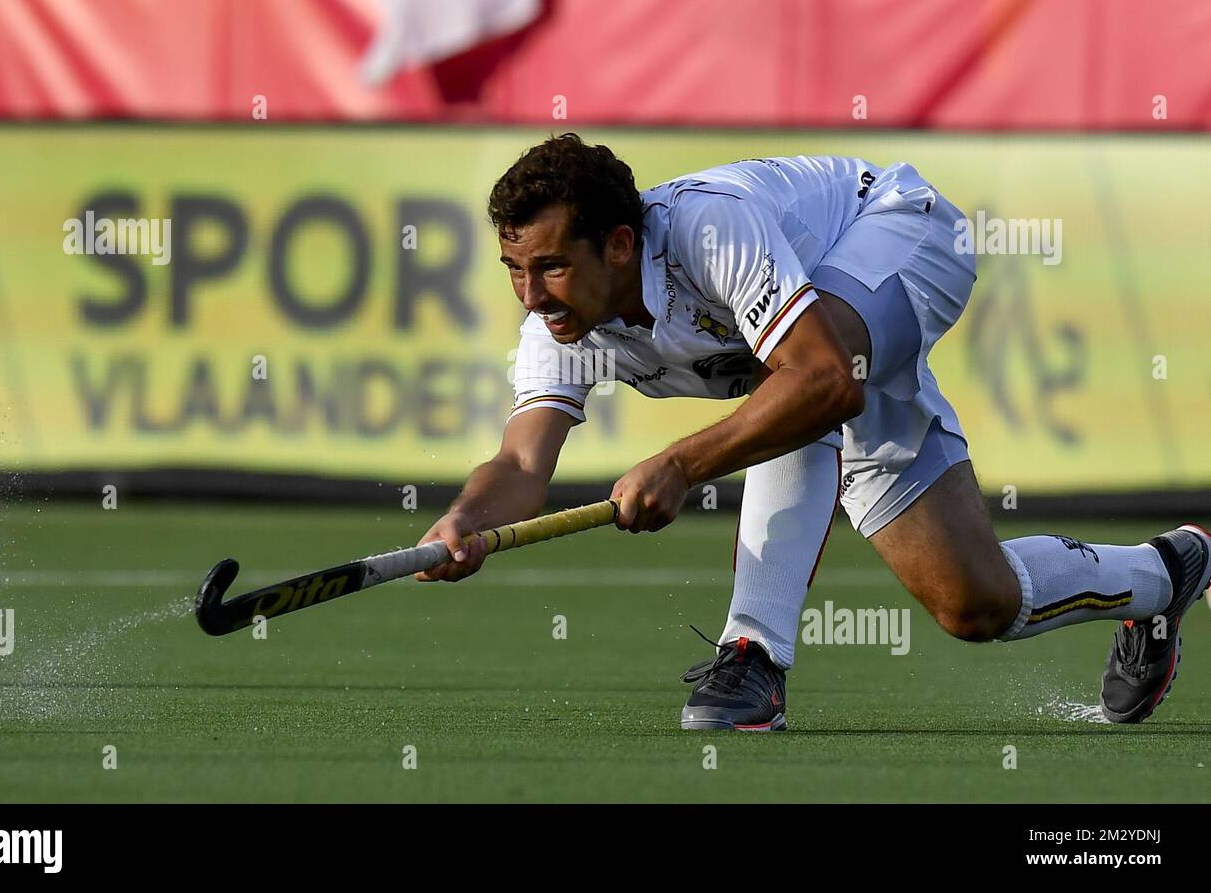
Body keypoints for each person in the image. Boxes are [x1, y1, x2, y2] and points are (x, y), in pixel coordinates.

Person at [416, 133, 1210, 732]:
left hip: (903, 235)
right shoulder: (558, 327)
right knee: (975, 603)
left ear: (620, 245)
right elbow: (522, 460)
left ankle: (753, 656)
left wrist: (682, 464)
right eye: (514, 271)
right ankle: (1166, 573)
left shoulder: (706, 229)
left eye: (550, 266)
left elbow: (823, 380)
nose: (531, 295)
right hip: (834, 342)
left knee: (793, 378)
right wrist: (467, 522)